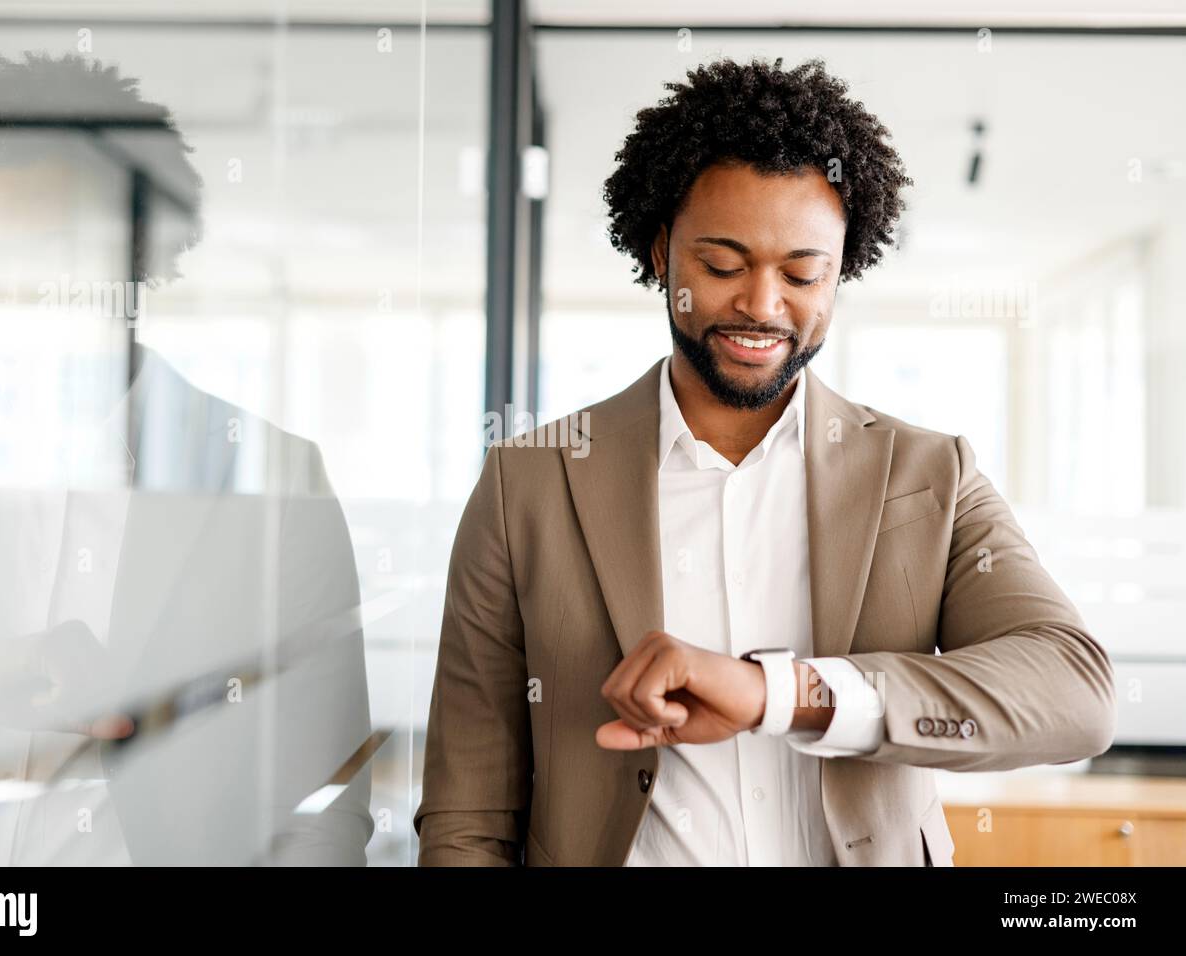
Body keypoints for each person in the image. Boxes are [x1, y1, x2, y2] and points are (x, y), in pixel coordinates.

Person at [413, 56, 1117, 867]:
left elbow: (1075, 692)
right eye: (721, 266)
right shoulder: (528, 484)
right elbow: (468, 814)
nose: (761, 304)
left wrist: (779, 694)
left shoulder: (928, 477)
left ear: (841, 274)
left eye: (803, 273)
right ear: (658, 254)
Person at [0, 52, 374, 865]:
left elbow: (321, 793)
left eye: (51, 251)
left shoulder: (271, 476)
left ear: (139, 254)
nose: (19, 292)